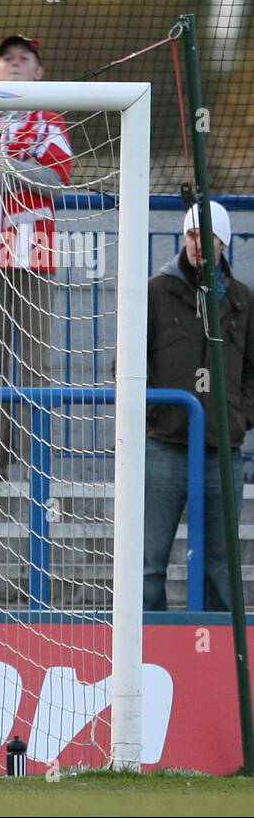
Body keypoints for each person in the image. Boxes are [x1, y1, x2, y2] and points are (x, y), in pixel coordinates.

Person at [0, 34, 72, 482]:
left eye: (25, 59)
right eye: (8, 59)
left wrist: (5, 163)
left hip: (36, 253)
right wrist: (25, 165)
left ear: (38, 72)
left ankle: (36, 459)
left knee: (37, 361)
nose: (16, 64)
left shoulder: (50, 120)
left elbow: (58, 180)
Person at [144, 201, 254, 612]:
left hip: (219, 448)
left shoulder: (243, 300)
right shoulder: (156, 291)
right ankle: (145, 648)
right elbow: (129, 362)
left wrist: (239, 416)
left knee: (221, 564)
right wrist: (155, 412)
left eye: (208, 238)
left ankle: (220, 654)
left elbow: (253, 371)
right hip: (164, 445)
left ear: (224, 243)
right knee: (149, 562)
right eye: (192, 235)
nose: (198, 245)